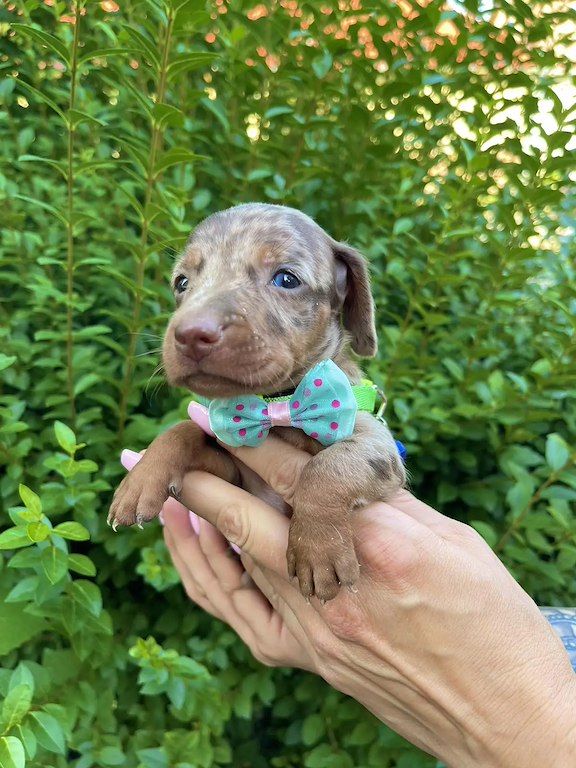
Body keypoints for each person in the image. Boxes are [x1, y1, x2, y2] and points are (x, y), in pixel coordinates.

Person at [125, 436, 576, 767]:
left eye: (288, 296)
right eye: (182, 297)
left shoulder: (336, 399)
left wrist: (530, 731)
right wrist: (176, 449)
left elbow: (376, 457)